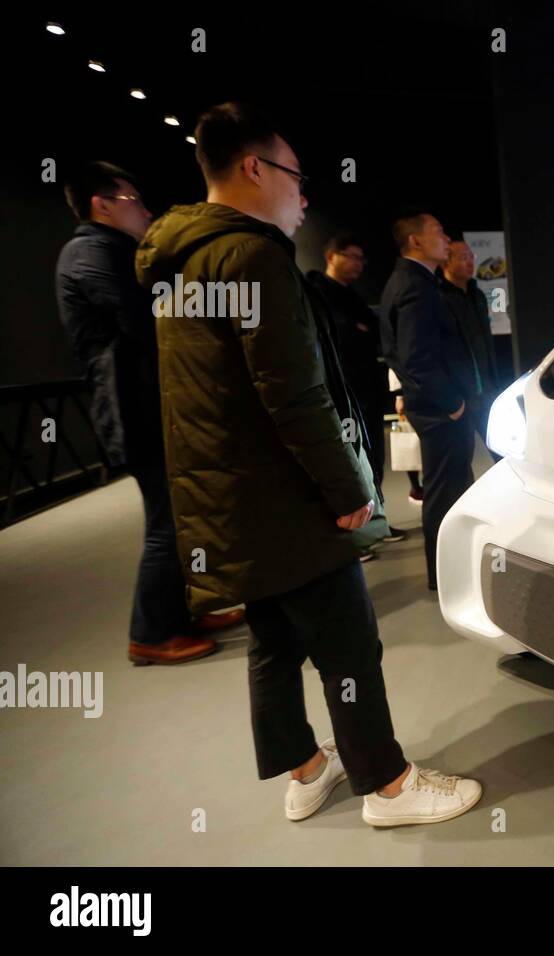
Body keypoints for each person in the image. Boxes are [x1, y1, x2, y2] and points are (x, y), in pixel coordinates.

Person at [136, 103, 480, 826]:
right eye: (295, 175)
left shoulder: (181, 258)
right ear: (255, 168)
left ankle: (309, 768)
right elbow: (289, 392)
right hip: (283, 492)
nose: (304, 193)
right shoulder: (250, 254)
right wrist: (344, 489)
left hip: (230, 495)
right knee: (348, 641)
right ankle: (387, 786)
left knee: (273, 639)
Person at [55, 161, 241, 666]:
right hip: (135, 409)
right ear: (102, 204)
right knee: (167, 521)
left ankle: (180, 611)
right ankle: (151, 633)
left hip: (151, 403)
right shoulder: (91, 252)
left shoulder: (110, 251)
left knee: (180, 516)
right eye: (132, 199)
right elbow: (144, 319)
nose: (145, 209)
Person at [379, 212, 479, 591]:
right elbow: (415, 356)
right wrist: (451, 403)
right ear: (416, 241)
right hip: (440, 411)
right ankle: (444, 573)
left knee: (451, 485)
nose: (446, 237)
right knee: (443, 490)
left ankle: (452, 568)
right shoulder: (414, 285)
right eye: (438, 231)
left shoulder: (415, 280)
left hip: (437, 408)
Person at [306, 235, 406, 550]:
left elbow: (370, 329)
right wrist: (355, 329)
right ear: (332, 256)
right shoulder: (320, 292)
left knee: (373, 457)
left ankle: (374, 524)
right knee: (351, 461)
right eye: (352, 257)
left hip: (366, 390)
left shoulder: (351, 296)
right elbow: (347, 333)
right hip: (343, 393)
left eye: (362, 259)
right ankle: (355, 537)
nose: (358, 265)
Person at [438, 239, 499, 455]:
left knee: (504, 452)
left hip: (488, 390)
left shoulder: (478, 295)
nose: (470, 262)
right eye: (463, 257)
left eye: (471, 256)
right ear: (446, 262)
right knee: (460, 459)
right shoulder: (439, 298)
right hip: (461, 395)